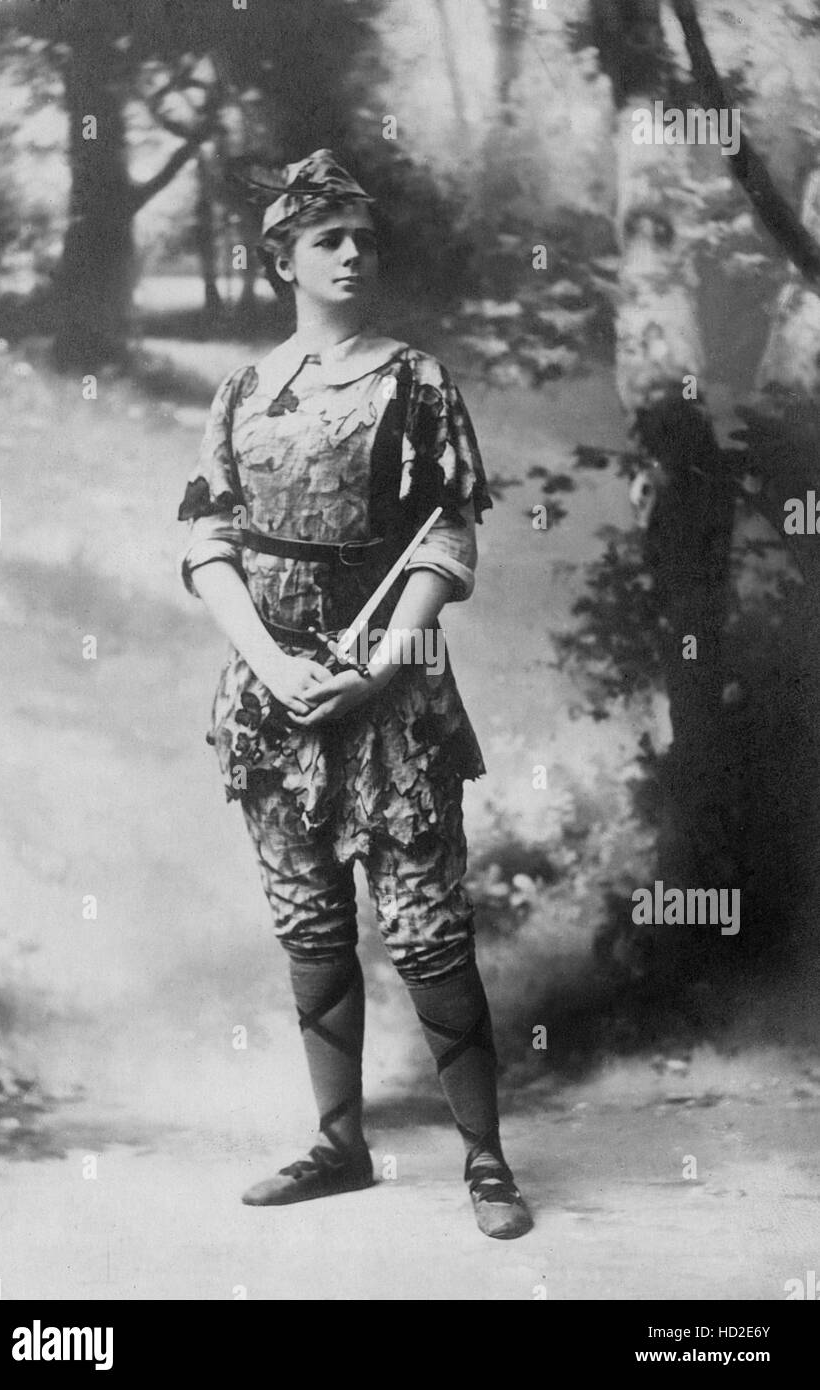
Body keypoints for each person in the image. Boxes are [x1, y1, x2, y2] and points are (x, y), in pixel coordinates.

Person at [177, 149, 532, 1239]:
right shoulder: (243, 391)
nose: (352, 254)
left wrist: (384, 657)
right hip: (273, 694)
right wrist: (272, 664)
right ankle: (340, 1144)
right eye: (329, 238)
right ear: (281, 257)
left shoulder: (413, 381)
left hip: (393, 694)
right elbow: (207, 540)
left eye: (364, 239)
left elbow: (446, 533)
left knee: (426, 926)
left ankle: (486, 1162)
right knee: (309, 922)